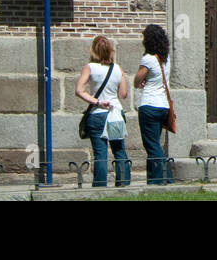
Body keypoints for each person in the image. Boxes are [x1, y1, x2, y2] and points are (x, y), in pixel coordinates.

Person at [74, 35, 129, 187]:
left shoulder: (90, 67)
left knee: (100, 154)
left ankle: (100, 187)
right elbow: (123, 95)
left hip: (98, 114)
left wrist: (97, 101)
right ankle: (124, 184)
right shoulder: (118, 69)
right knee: (119, 151)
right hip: (116, 113)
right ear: (110, 51)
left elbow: (79, 90)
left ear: (93, 51)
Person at [134, 23, 172, 185]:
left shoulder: (148, 59)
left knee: (151, 145)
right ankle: (154, 179)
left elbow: (137, 80)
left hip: (149, 105)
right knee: (155, 143)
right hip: (163, 105)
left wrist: (141, 81)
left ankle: (161, 179)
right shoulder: (166, 59)